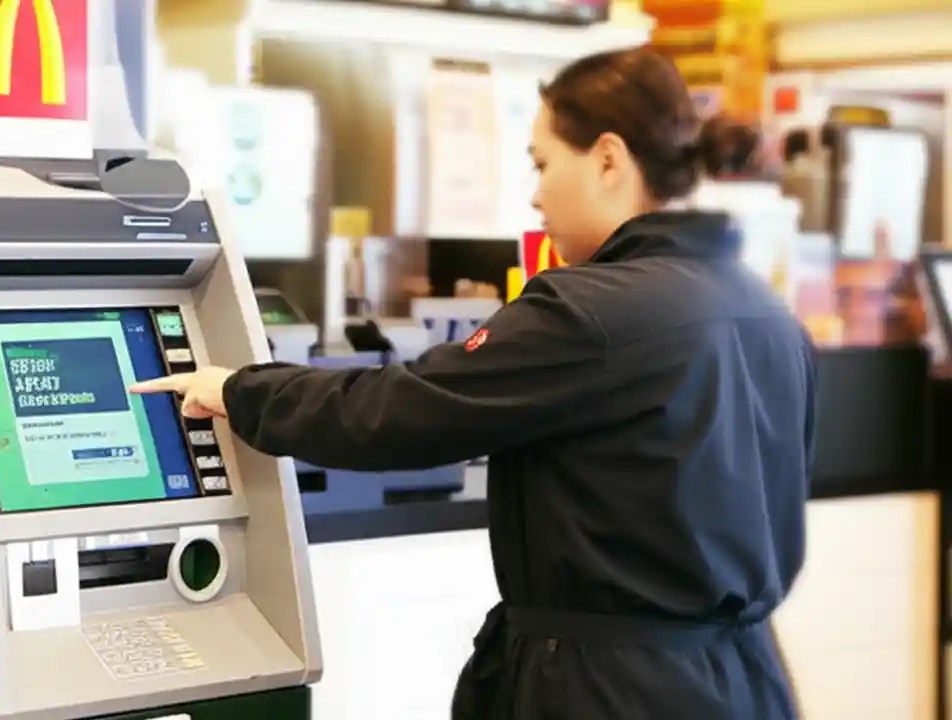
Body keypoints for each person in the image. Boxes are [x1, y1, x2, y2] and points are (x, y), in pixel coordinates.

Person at [132, 47, 815, 720]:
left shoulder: (592, 311)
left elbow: (399, 410)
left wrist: (239, 391)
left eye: (544, 163)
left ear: (608, 159)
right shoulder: (763, 306)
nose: (535, 192)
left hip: (608, 692)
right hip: (746, 678)